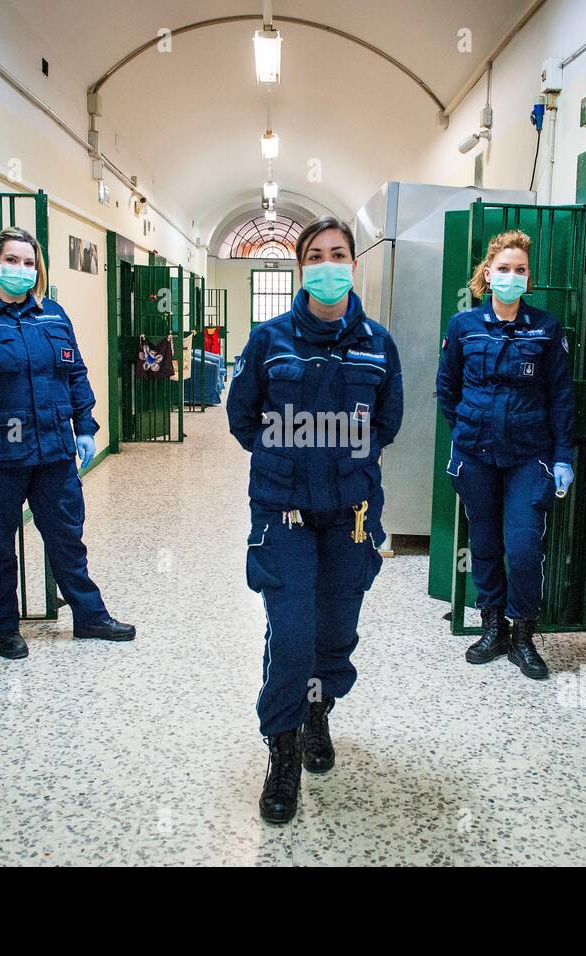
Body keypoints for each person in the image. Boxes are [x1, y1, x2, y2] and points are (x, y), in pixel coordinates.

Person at [227, 216, 404, 824]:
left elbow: (387, 423)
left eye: (339, 254)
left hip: (351, 513)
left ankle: (317, 712)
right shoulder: (269, 339)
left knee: (336, 630)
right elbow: (242, 419)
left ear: (353, 264)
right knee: (294, 628)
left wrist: (339, 459)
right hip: (284, 511)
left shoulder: (378, 344)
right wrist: (292, 460)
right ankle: (282, 750)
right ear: (301, 268)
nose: (329, 265)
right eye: (316, 256)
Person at [0, 226, 135, 659]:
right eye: (12, 261)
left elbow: (75, 373)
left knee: (67, 537)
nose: (22, 270)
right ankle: (4, 627)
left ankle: (90, 617)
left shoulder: (53, 315)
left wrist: (86, 427)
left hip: (54, 449)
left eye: (29, 262)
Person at [435, 229, 576, 680]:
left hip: (528, 456)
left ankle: (523, 635)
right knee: (485, 543)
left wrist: (562, 456)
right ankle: (492, 625)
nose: (511, 277)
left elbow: (560, 396)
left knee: (521, 546)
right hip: (475, 454)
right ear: (488, 274)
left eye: (520, 270)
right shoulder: (463, 326)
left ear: (528, 279)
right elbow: (447, 388)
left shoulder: (546, 328)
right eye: (504, 269)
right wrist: (464, 432)